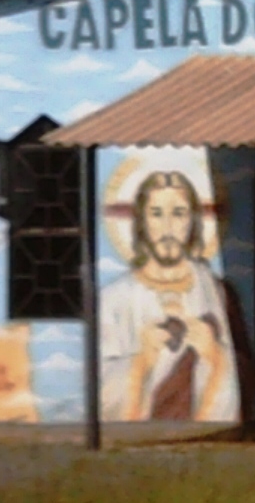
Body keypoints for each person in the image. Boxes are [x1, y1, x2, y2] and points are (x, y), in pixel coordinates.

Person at [101, 169, 244, 422]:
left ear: (193, 222)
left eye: (178, 213)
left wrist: (214, 355)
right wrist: (141, 361)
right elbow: (98, 386)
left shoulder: (217, 292)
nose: (168, 227)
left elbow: (245, 369)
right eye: (156, 214)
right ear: (142, 222)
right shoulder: (114, 299)